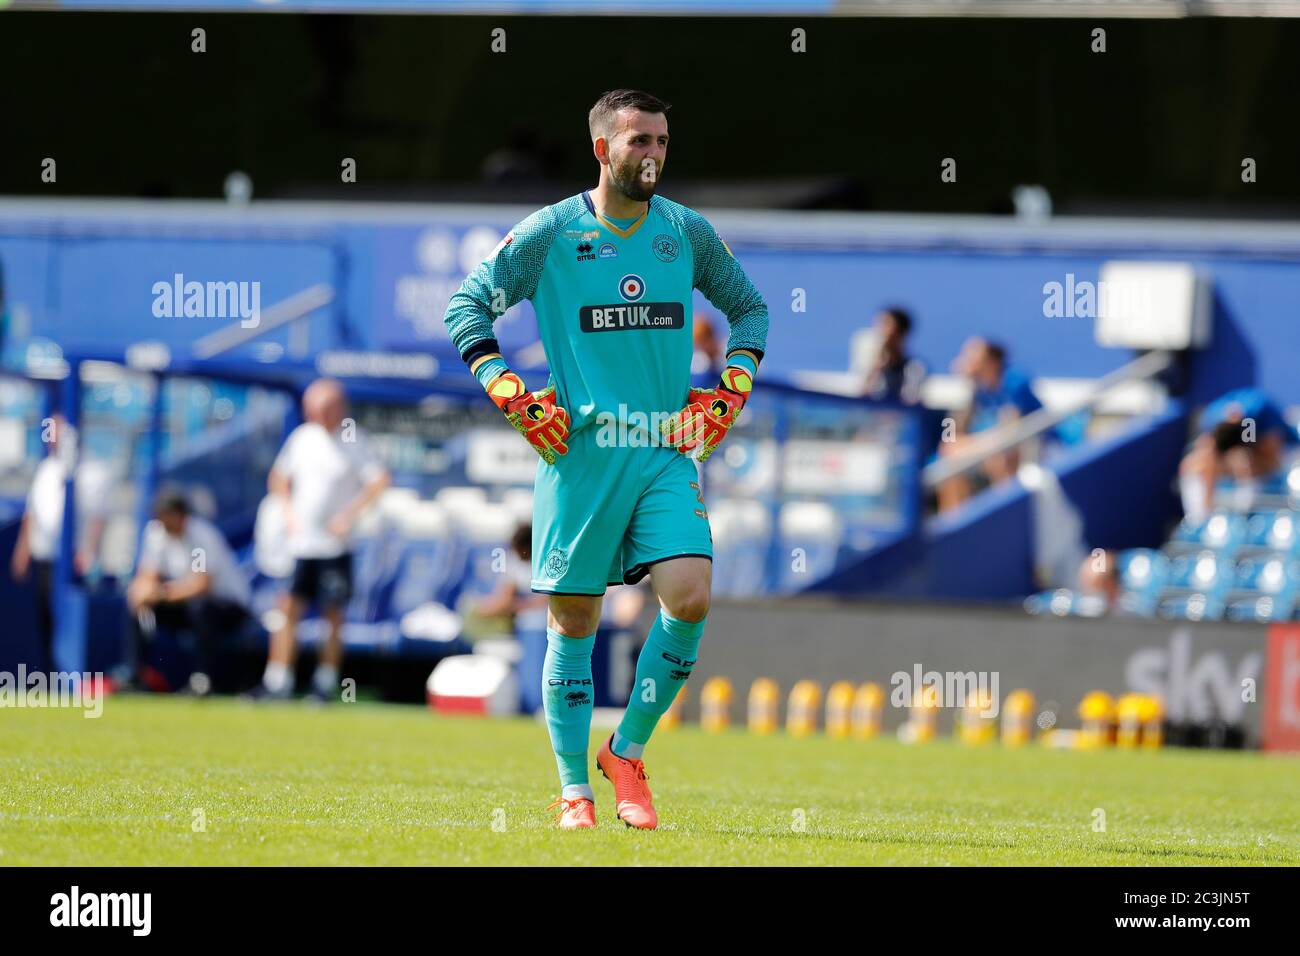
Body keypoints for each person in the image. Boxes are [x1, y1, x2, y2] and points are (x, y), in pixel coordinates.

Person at [443, 89, 768, 830]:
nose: (653, 154)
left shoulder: (685, 231)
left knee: (689, 595)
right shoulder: (550, 234)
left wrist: (729, 389)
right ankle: (573, 790)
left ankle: (626, 753)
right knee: (576, 621)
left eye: (660, 141)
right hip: (580, 453)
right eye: (639, 142)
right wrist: (508, 387)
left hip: (661, 449)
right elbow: (467, 305)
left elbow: (750, 308)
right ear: (602, 149)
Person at [251, 378, 390, 702]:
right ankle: (278, 680)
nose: (319, 415)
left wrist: (349, 516)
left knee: (332, 613)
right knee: (287, 608)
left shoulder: (356, 440)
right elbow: (279, 478)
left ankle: (325, 684)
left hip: (335, 547)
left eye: (326, 408)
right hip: (300, 545)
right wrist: (288, 513)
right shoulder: (302, 438)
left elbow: (379, 480)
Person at [125, 488, 252, 695]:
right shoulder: (157, 533)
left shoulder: (200, 538)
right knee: (141, 609)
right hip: (187, 604)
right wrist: (141, 592)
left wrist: (159, 593)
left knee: (200, 609)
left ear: (181, 516)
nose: (162, 521)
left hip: (228, 608)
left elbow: (201, 585)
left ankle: (202, 680)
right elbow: (147, 575)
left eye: (166, 515)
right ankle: (135, 674)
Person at [8, 413, 110, 671]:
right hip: (45, 556)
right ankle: (49, 675)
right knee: (46, 618)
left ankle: (70, 677)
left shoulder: (93, 471)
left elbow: (97, 518)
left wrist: (89, 553)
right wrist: (23, 551)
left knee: (67, 620)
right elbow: (32, 514)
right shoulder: (47, 468)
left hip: (73, 560)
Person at [937, 337, 1043, 512]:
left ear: (991, 361)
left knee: (999, 457)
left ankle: (1007, 516)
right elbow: (957, 429)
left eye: (972, 355)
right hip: (997, 444)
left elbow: (1011, 432)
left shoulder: (1014, 379)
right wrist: (967, 385)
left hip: (1037, 444)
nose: (965, 360)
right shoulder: (979, 386)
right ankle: (954, 521)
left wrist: (971, 445)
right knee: (949, 453)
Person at [1179, 387, 1295, 523]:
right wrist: (1203, 511)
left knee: (1248, 460)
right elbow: (1207, 457)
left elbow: (1251, 456)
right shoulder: (1212, 418)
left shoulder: (1253, 417)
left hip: (1287, 457)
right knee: (1198, 464)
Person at [860, 307, 926, 405]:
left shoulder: (915, 367)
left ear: (902, 333)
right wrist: (876, 367)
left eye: (886, 325)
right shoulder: (872, 365)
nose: (881, 332)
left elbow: (910, 401)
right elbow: (861, 397)